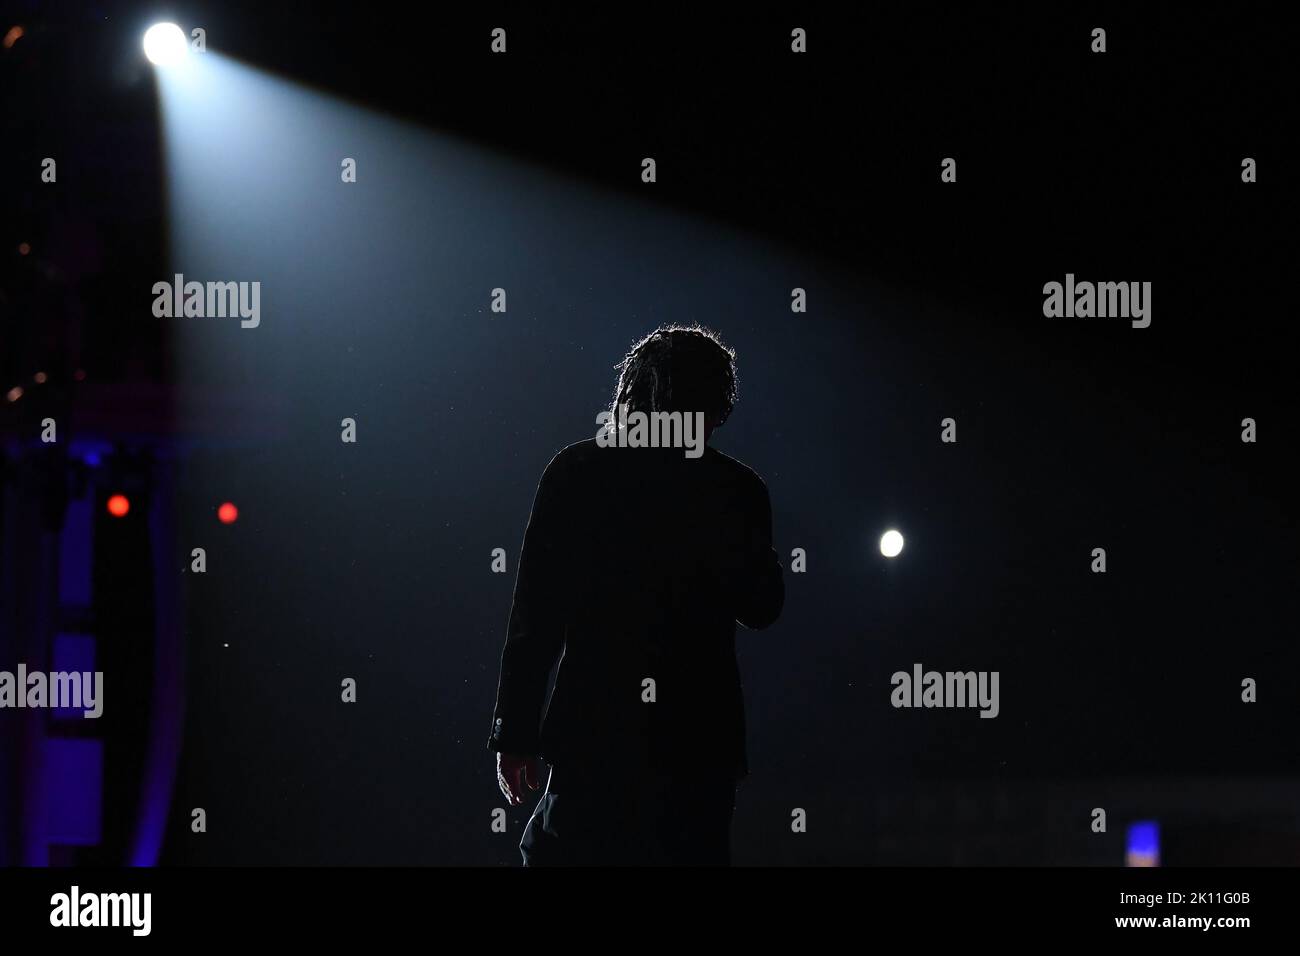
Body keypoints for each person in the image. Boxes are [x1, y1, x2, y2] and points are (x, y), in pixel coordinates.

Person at [488, 324, 783, 865]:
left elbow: (537, 613)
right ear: (716, 406)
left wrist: (515, 728)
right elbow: (763, 607)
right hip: (698, 744)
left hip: (595, 732)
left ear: (631, 392)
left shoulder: (577, 472)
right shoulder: (737, 490)